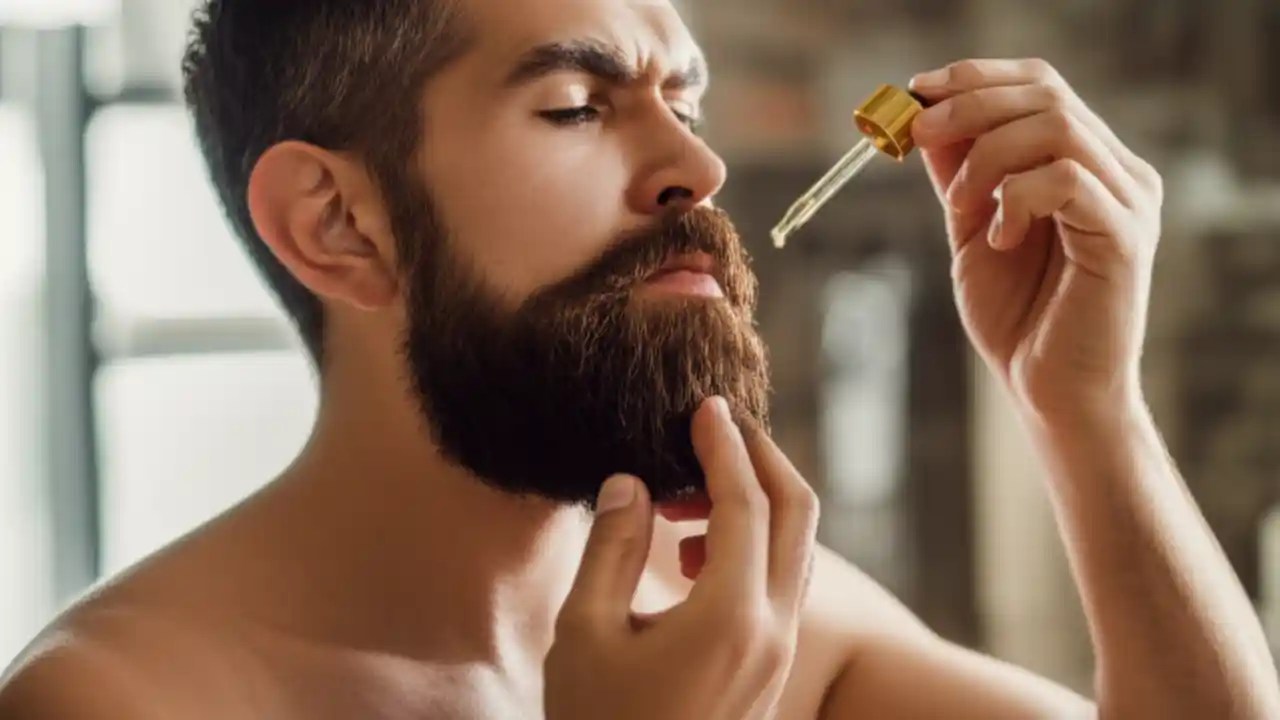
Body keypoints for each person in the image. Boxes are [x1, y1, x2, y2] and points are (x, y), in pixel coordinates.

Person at [3, 0, 1278, 717]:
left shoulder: (747, 612)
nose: (698, 171)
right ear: (339, 224)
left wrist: (1082, 407)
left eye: (686, 100)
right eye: (574, 107)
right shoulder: (117, 703)